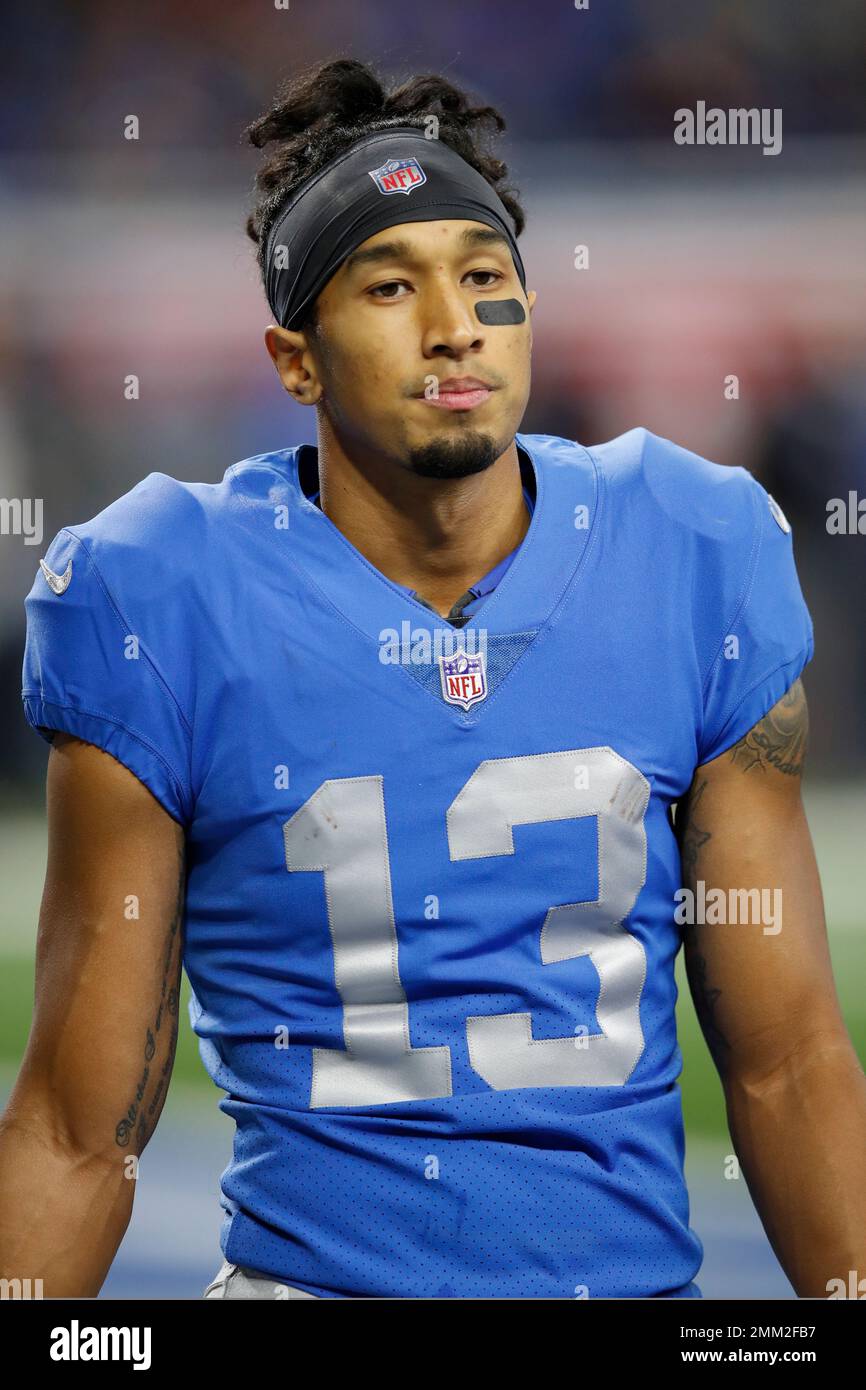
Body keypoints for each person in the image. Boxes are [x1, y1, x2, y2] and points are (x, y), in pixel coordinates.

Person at [3, 59, 864, 1300]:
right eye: (390, 286)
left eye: (483, 279)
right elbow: (82, 1128)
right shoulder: (164, 593)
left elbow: (786, 1061)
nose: (452, 324)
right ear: (294, 361)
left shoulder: (691, 547)